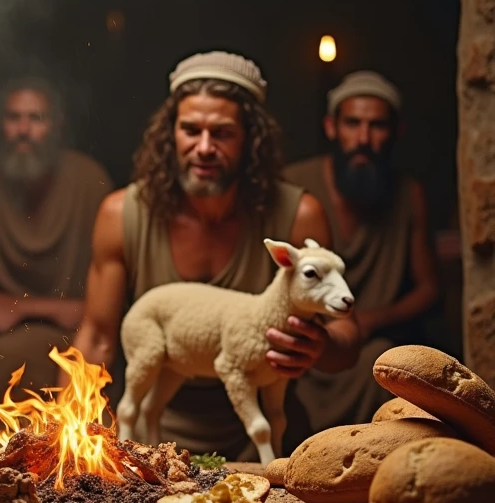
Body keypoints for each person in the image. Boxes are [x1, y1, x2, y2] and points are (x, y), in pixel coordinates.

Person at [72, 51, 362, 461]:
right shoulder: (121, 214)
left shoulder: (298, 216)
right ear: (170, 133)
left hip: (269, 442)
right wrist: (68, 428)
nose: (204, 147)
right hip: (158, 443)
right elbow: (98, 337)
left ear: (250, 139)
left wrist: (320, 346)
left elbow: (348, 339)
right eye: (190, 130)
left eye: (222, 133)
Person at [285, 70, 440, 431]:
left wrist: (370, 320)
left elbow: (430, 291)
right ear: (331, 127)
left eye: (377, 126)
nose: (363, 138)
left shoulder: (408, 195)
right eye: (352, 123)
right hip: (308, 349)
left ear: (396, 132)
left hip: (369, 352)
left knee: (384, 365)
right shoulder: (294, 186)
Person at [0, 77, 113, 397]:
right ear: (1, 124)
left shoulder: (89, 180)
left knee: (89, 359)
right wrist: (48, 310)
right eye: (14, 118)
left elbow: (106, 301)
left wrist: (18, 309)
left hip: (80, 328)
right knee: (8, 358)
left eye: (36, 118)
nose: (24, 130)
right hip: (8, 333)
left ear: (56, 125)